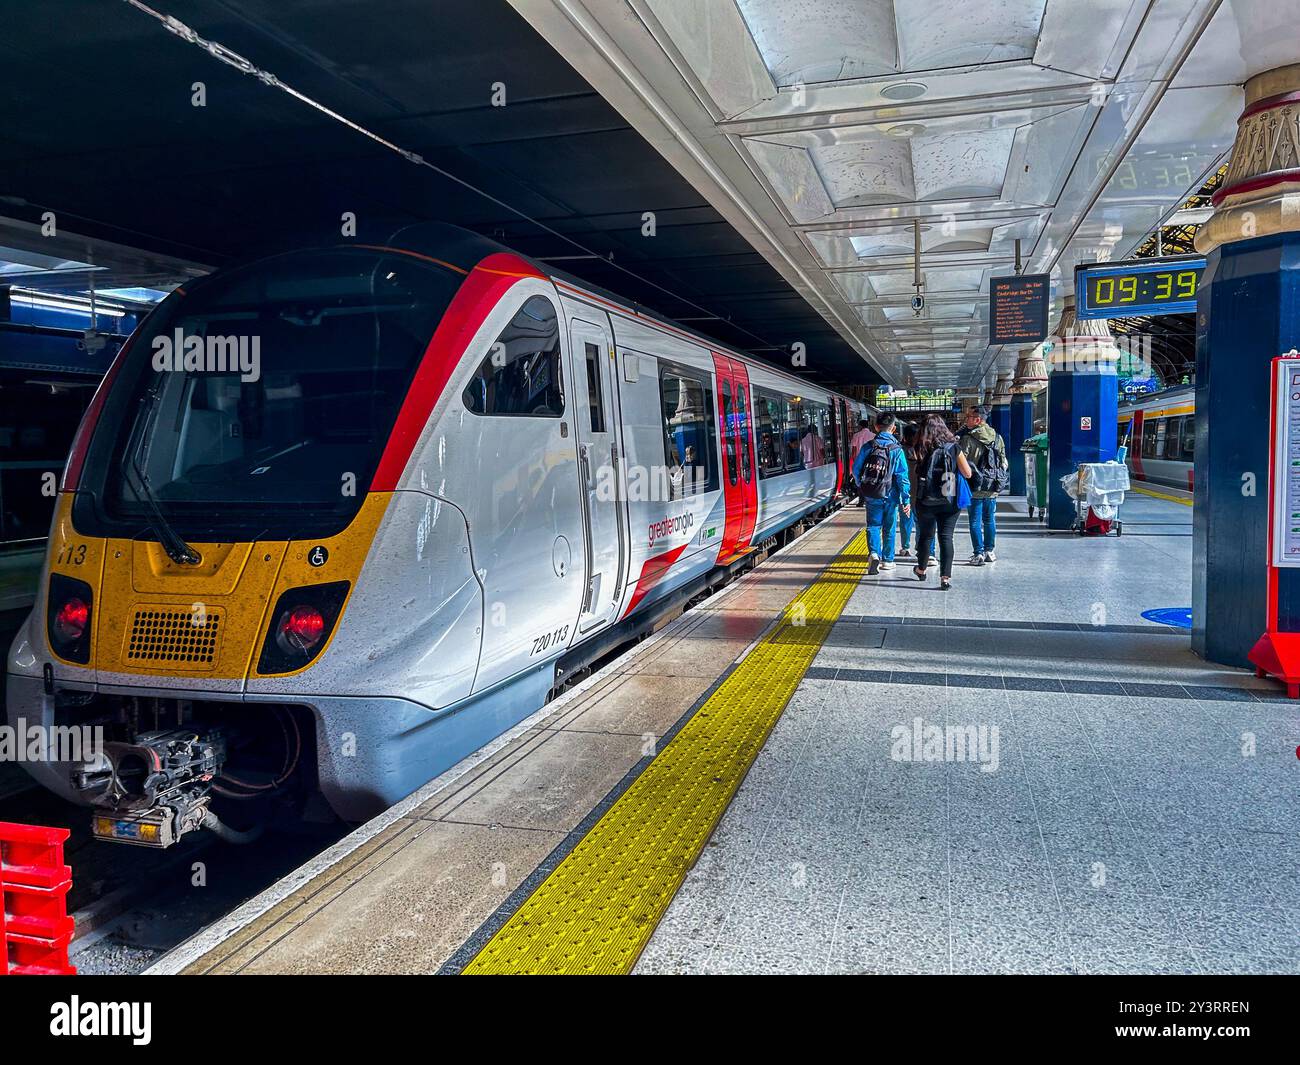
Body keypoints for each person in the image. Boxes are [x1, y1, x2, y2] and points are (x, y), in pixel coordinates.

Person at [910, 413, 974, 590]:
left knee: (925, 536)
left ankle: (921, 570)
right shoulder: (954, 447)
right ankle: (945, 578)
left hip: (924, 499)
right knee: (946, 537)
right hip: (949, 498)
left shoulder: (919, 446)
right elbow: (968, 473)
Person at [852, 412, 910, 575]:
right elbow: (902, 477)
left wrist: (862, 485)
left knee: (873, 525)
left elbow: (856, 469)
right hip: (890, 494)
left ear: (876, 427)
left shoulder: (868, 446)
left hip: (871, 493)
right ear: (893, 428)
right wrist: (905, 498)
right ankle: (888, 560)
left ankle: (874, 553)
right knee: (889, 526)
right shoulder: (897, 449)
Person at [960, 405, 1009, 566]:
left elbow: (962, 462)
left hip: (974, 487)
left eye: (969, 417)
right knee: (989, 519)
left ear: (977, 420)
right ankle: (990, 551)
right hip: (992, 487)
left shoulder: (967, 439)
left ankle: (978, 553)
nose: (966, 419)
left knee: (974, 521)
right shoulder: (997, 437)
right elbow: (1003, 462)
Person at [848, 418, 876, 506]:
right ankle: (870, 498)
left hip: (859, 461)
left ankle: (861, 500)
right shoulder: (873, 435)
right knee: (871, 479)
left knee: (859, 480)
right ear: (868, 426)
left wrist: (854, 460)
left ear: (860, 426)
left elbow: (853, 450)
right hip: (871, 461)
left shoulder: (856, 435)